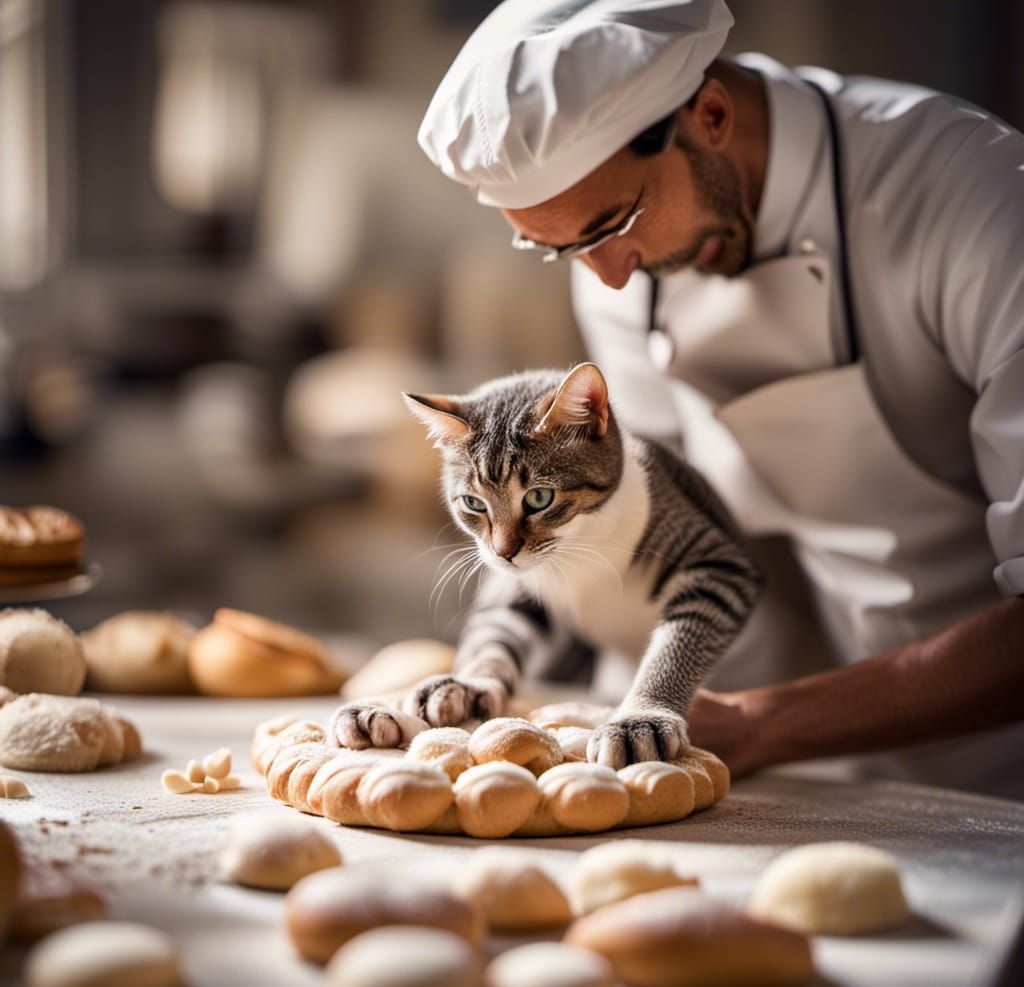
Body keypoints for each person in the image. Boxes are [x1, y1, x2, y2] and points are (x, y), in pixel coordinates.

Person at [417, 0, 1024, 798]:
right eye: (556, 247)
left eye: (614, 223)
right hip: (771, 764)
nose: (608, 276)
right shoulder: (621, 278)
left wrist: (766, 722)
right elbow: (636, 535)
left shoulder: (972, 199)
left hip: (997, 759)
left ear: (708, 115)